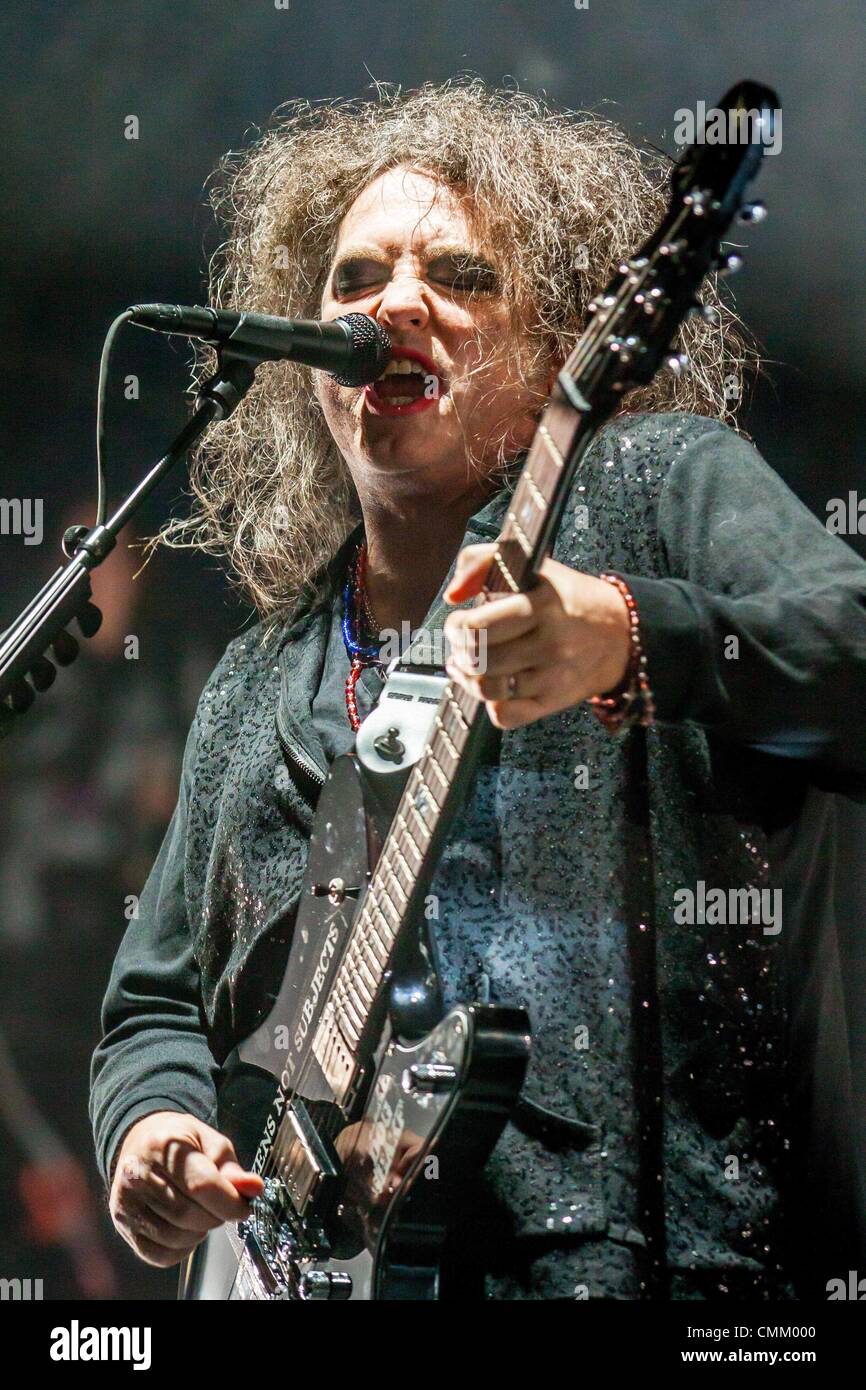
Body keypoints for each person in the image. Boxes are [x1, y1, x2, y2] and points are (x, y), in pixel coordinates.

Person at [90, 80, 866, 1299]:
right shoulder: (257, 679)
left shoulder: (659, 487)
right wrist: (153, 1133)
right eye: (352, 282)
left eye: (459, 275)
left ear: (560, 336)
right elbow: (154, 1006)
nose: (393, 304)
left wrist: (626, 632)